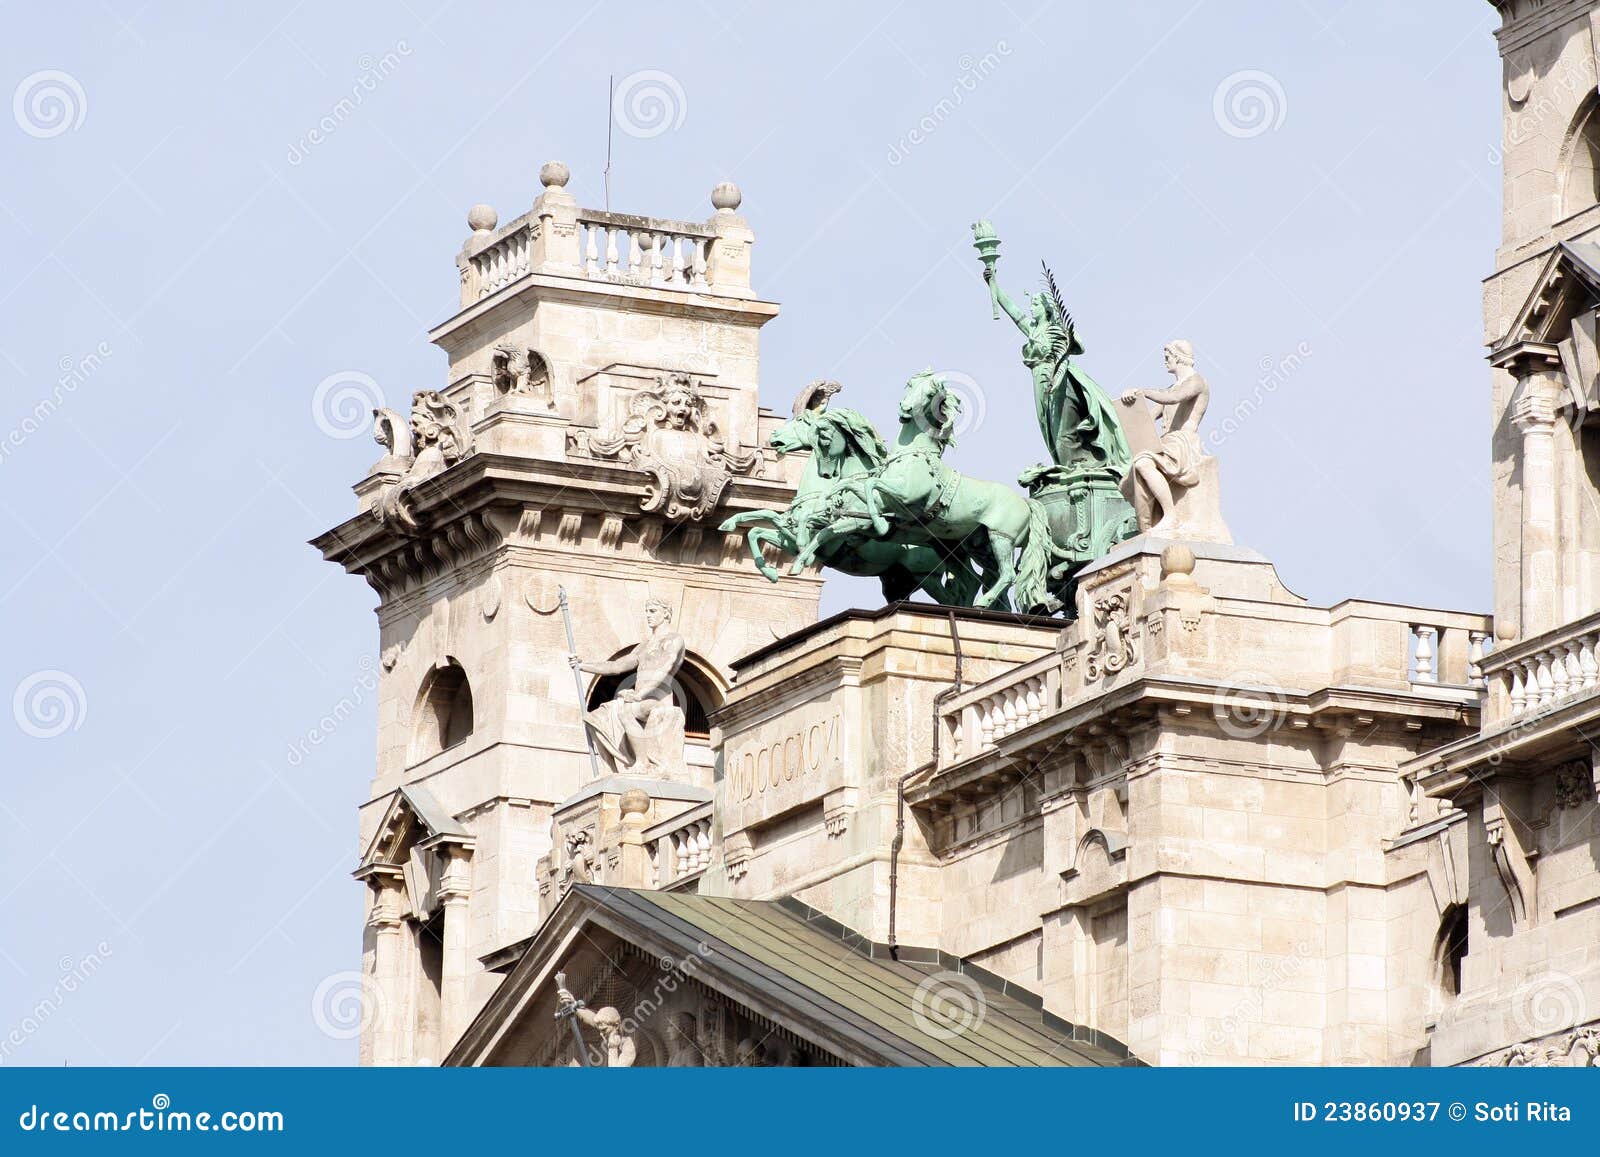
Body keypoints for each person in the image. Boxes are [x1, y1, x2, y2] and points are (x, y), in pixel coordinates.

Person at [570, 597, 687, 775]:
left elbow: (664, 670)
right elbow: (616, 666)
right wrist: (583, 665)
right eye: (647, 611)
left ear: (666, 613)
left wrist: (639, 695)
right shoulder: (643, 646)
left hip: (657, 701)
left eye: (653, 611)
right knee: (597, 717)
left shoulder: (673, 640)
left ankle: (642, 763)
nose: (648, 615)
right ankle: (609, 770)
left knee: (626, 712)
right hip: (639, 700)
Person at [1119, 340, 1210, 534]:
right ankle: (1146, 527)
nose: (1166, 361)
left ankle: (1171, 515)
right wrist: (1131, 402)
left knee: (1143, 462)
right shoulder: (1172, 386)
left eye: (1167, 356)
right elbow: (1148, 417)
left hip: (1183, 442)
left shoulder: (1196, 382)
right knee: (1137, 468)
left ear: (1178, 357)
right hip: (1166, 442)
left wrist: (1143, 392)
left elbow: (1173, 397)